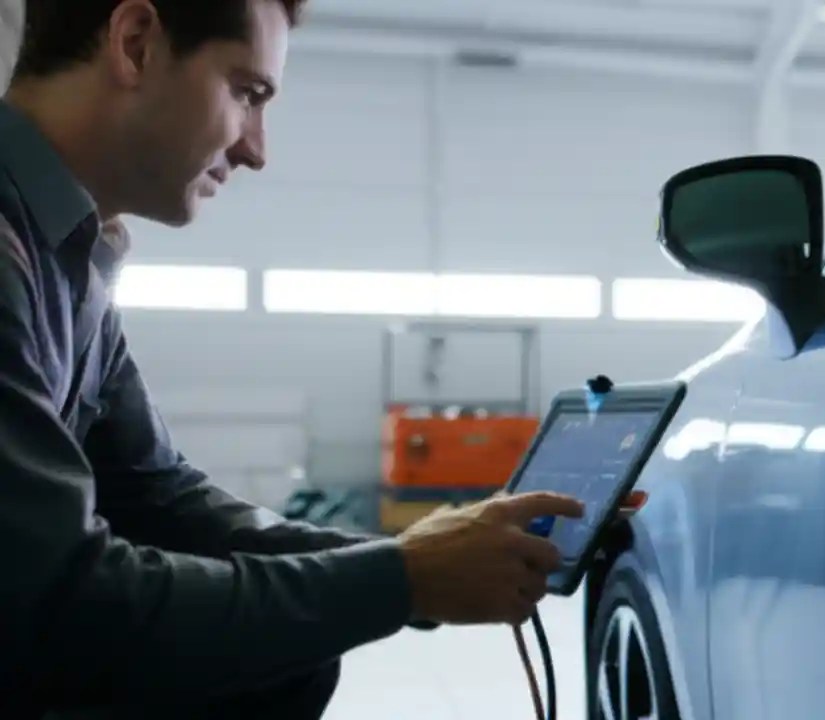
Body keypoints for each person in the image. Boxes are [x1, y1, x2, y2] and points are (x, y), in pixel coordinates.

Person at [0, 1, 589, 717]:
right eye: (247, 93)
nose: (256, 149)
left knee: (288, 658)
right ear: (135, 44)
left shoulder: (70, 262)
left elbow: (163, 498)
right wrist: (402, 577)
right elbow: (60, 604)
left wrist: (420, 563)